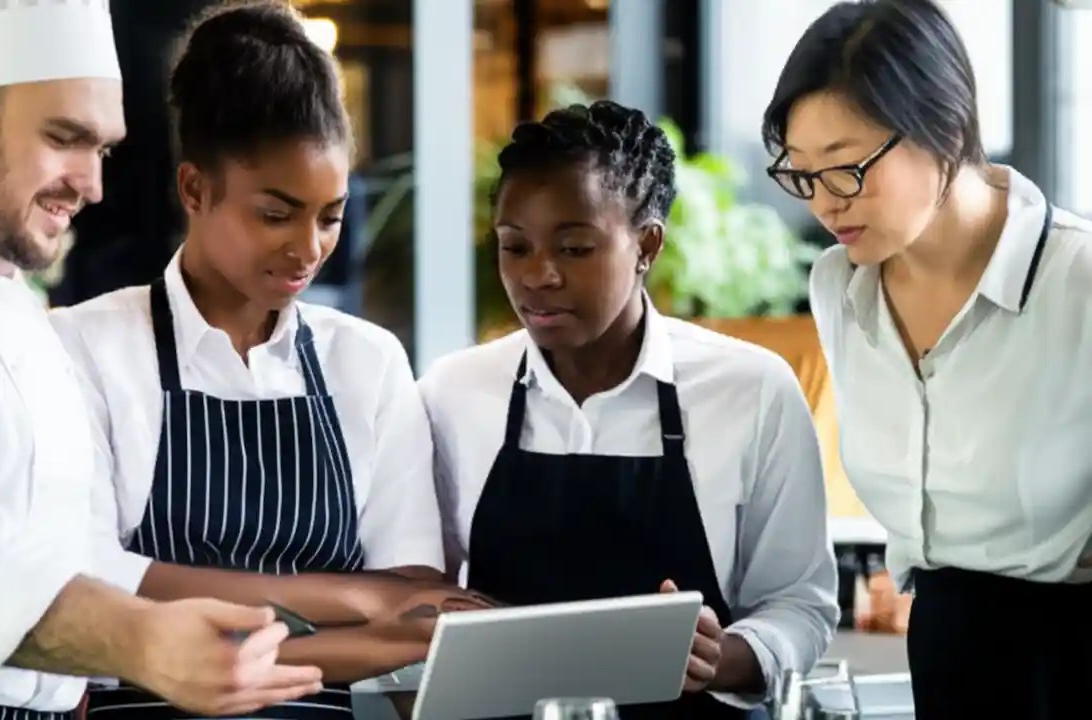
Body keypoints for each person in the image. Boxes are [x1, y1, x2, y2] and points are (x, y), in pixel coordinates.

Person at [0, 1, 323, 718]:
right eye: (64, 138)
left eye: (104, 149)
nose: (92, 183)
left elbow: (64, 543)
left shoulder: (11, 295)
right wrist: (140, 641)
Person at [48, 3, 483, 718]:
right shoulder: (87, 347)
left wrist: (165, 606)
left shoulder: (367, 362)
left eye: (332, 215)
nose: (309, 248)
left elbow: (416, 616)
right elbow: (87, 586)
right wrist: (352, 597)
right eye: (277, 214)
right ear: (195, 189)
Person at [419, 99, 840, 719]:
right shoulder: (454, 393)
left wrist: (725, 658)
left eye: (575, 248)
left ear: (647, 244)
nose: (539, 276)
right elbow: (414, 595)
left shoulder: (751, 391)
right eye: (515, 247)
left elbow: (800, 604)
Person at [762, 1, 1092, 718]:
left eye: (847, 168)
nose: (823, 202)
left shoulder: (1079, 282)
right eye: (801, 173)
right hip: (946, 651)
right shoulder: (839, 286)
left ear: (944, 129)